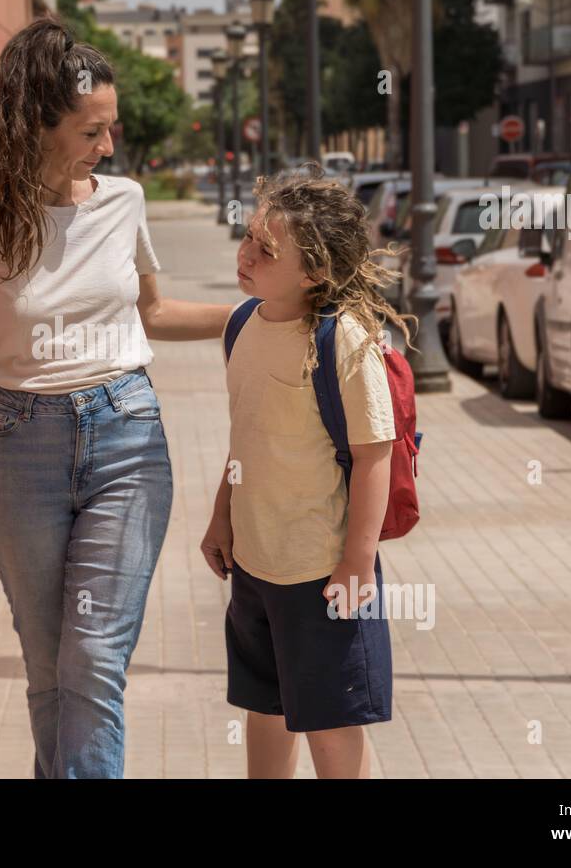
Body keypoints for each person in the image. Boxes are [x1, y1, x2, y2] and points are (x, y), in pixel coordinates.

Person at [0, 16, 231, 778]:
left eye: (112, 129)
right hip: (20, 446)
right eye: (93, 130)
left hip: (126, 434)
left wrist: (262, 313)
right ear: (39, 125)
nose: (109, 146)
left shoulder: (123, 203)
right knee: (50, 666)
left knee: (92, 660)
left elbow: (154, 313)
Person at [201, 170, 413, 778]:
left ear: (315, 271)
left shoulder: (341, 339)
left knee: (330, 721)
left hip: (322, 570)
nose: (247, 254)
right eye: (248, 238)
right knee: (263, 707)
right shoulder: (242, 325)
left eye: (267, 250)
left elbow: (376, 455)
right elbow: (246, 436)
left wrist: (355, 564)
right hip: (256, 564)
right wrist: (222, 518)